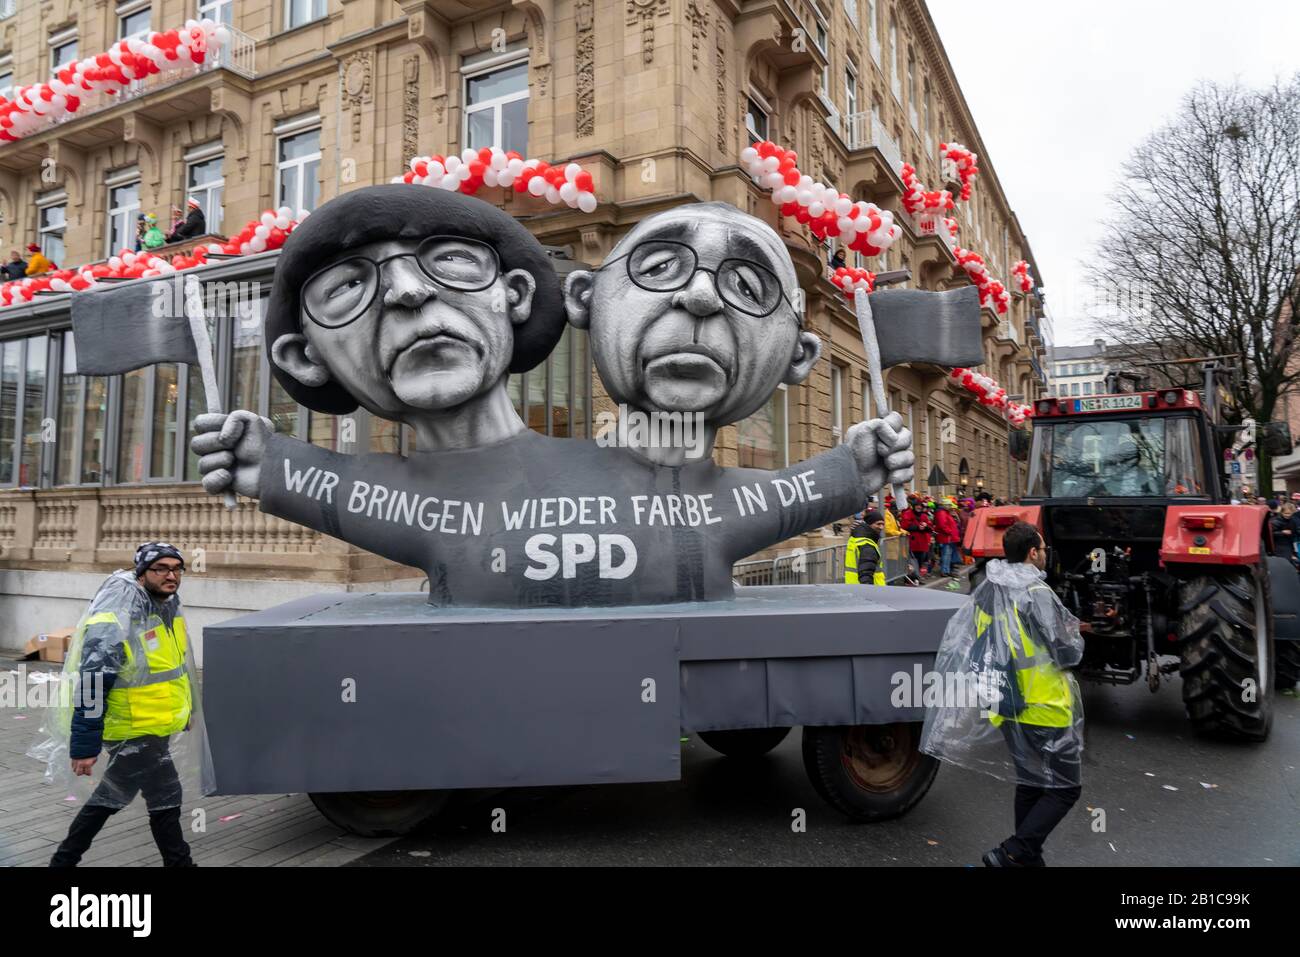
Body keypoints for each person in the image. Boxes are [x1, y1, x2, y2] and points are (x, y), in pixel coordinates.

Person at [192, 187, 915, 607]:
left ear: (514, 297)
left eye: (449, 262)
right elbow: (402, 504)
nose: (410, 293)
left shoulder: (678, 484)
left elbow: (729, 506)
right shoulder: (424, 501)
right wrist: (274, 466)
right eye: (350, 286)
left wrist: (850, 473)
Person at [920, 521, 1084, 866]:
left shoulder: (988, 590)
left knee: (1030, 781)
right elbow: (1067, 652)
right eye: (1041, 549)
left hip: (1005, 705)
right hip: (1044, 705)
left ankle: (1028, 858)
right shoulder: (1037, 594)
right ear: (1032, 553)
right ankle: (1015, 851)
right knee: (1067, 787)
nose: (1044, 554)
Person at [43, 543, 202, 867]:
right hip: (131, 729)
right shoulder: (116, 617)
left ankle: (63, 861)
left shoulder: (165, 608)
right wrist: (84, 745)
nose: (171, 575)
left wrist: (185, 711)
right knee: (163, 797)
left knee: (116, 797)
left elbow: (174, 669)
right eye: (161, 569)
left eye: (177, 568)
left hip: (152, 725)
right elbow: (92, 682)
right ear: (142, 574)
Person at [845, 509, 887, 585]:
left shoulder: (856, 537)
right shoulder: (867, 544)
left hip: (854, 587)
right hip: (872, 591)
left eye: (883, 524)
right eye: (878, 524)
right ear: (869, 524)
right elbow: (866, 575)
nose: (881, 527)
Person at [899, 495, 934, 578]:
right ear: (914, 506)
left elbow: (930, 528)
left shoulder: (924, 516)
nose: (919, 507)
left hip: (922, 544)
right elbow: (904, 526)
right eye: (917, 505)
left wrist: (926, 527)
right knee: (911, 561)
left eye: (920, 506)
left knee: (920, 561)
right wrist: (918, 527)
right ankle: (911, 578)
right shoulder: (908, 514)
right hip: (912, 543)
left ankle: (917, 577)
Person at [934, 499, 961, 577]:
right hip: (946, 538)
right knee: (946, 555)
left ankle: (946, 570)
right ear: (945, 505)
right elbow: (943, 525)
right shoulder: (942, 513)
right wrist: (950, 532)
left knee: (948, 555)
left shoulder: (945, 512)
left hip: (949, 537)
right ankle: (945, 571)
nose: (950, 507)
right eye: (949, 505)